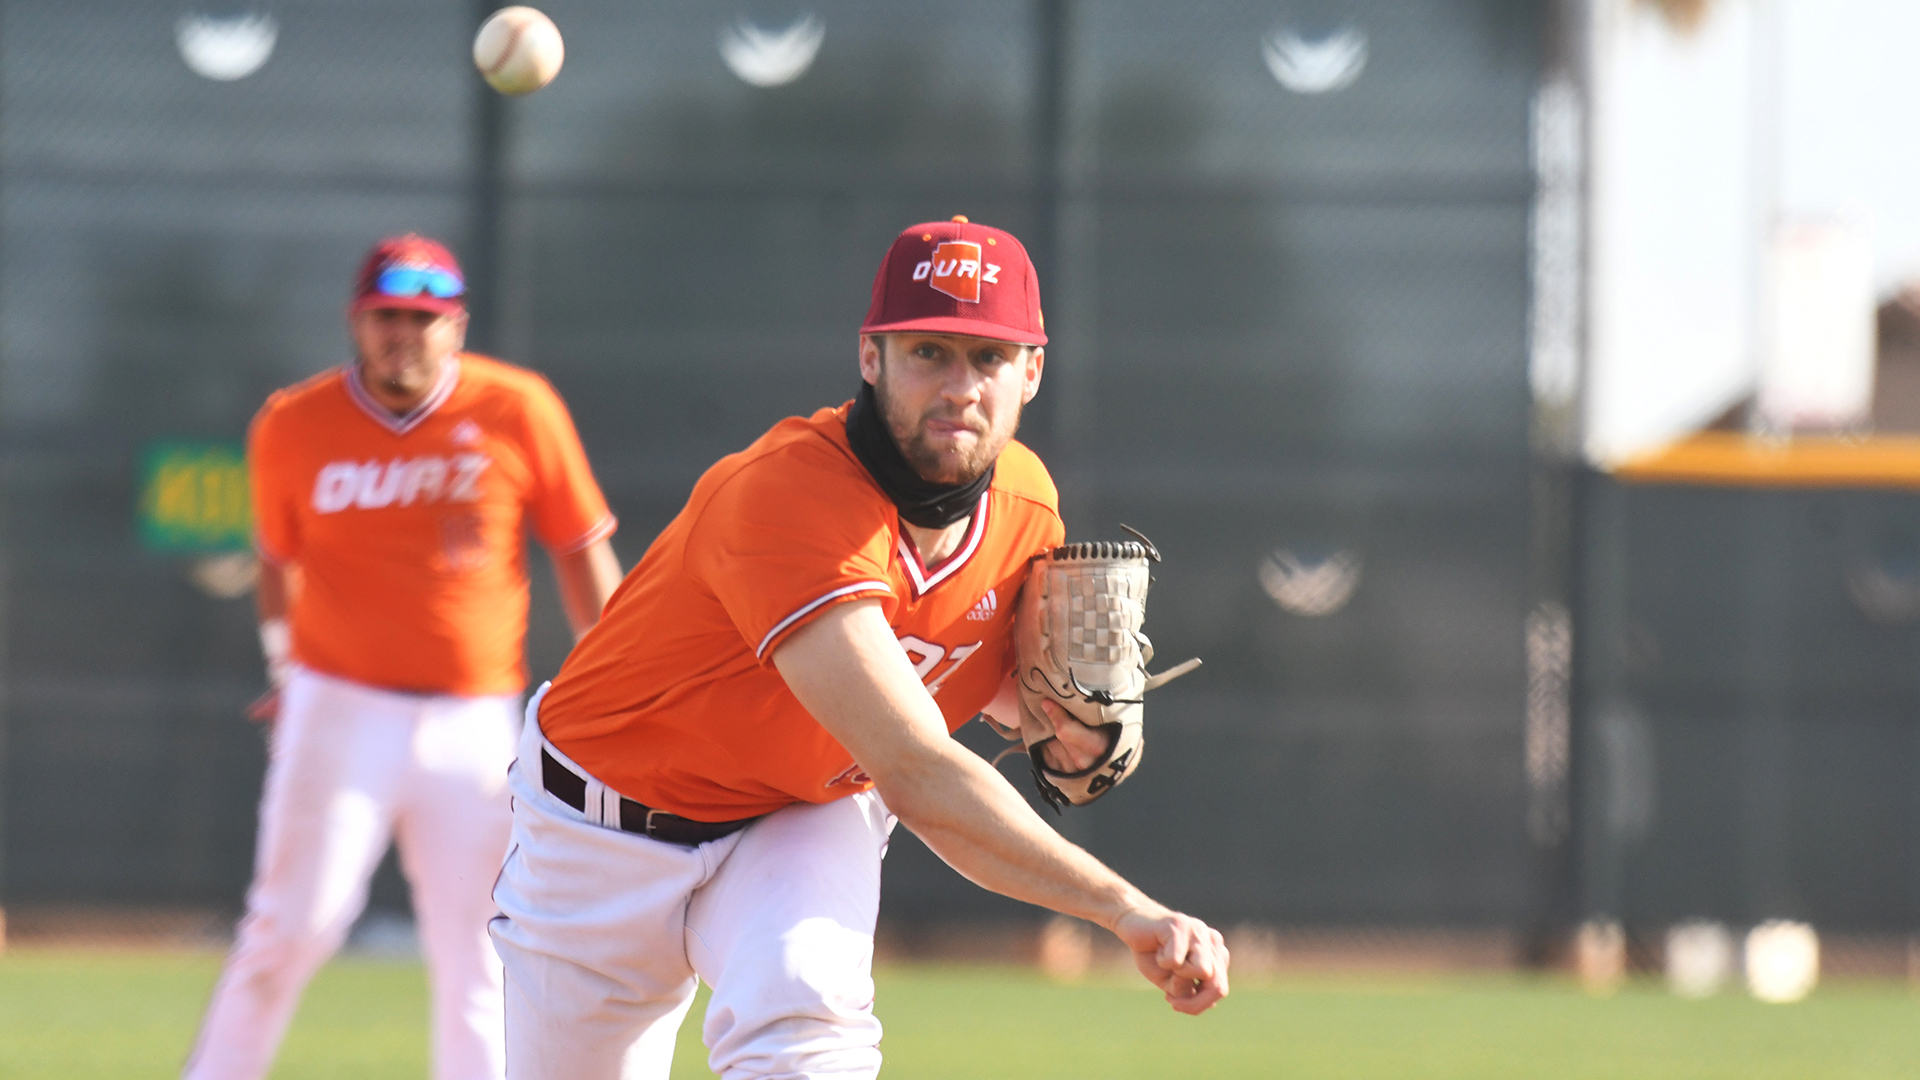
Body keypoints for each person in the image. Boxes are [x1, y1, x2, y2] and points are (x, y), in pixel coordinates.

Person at [490, 216, 1229, 1079]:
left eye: (989, 357)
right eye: (929, 352)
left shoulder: (1027, 506)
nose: (960, 387)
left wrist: (1058, 723)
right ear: (871, 356)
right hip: (605, 830)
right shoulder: (787, 498)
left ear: (1031, 371)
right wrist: (1122, 905)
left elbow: (992, 688)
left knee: (809, 1032)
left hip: (800, 817)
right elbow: (917, 770)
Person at [183, 234, 624, 1080]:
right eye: (386, 315)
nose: (404, 335)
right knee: (289, 928)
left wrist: (619, 684)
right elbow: (276, 562)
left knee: (481, 946)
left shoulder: (517, 407)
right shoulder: (294, 421)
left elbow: (579, 549)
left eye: (423, 318)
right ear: (356, 321)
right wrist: (284, 674)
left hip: (476, 717)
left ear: (457, 325)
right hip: (339, 706)